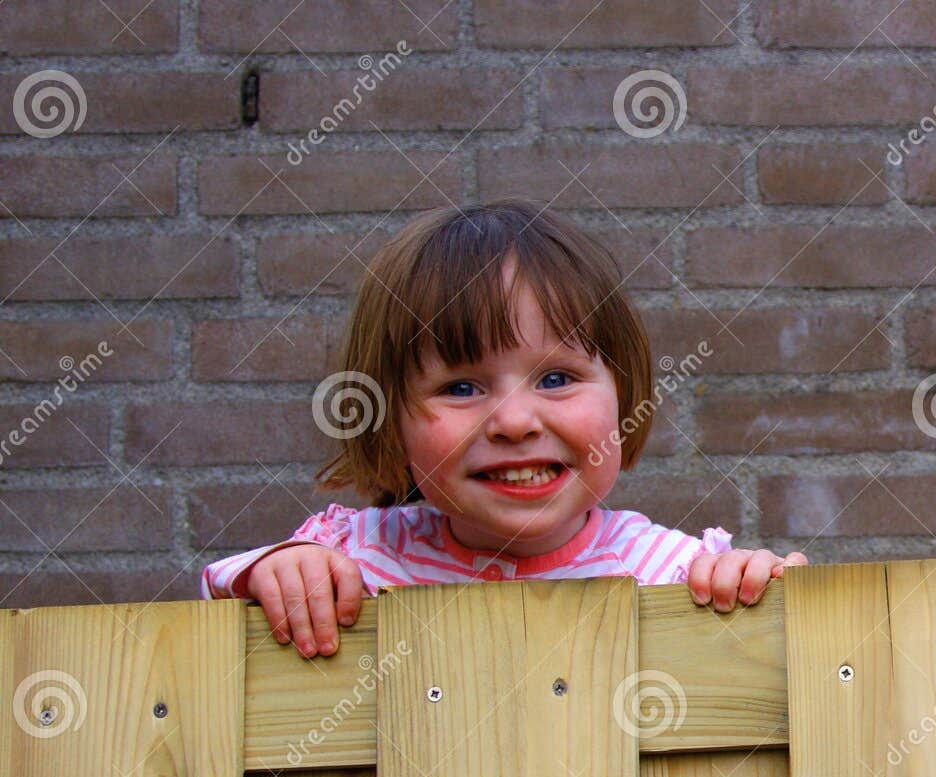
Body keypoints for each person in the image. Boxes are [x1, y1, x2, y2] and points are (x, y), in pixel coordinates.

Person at [199, 199, 806, 658]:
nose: (514, 422)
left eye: (556, 379)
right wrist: (281, 573)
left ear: (625, 397)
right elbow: (209, 628)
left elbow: (796, 673)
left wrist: (765, 595)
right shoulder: (353, 560)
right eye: (461, 388)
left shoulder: (674, 575)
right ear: (389, 421)